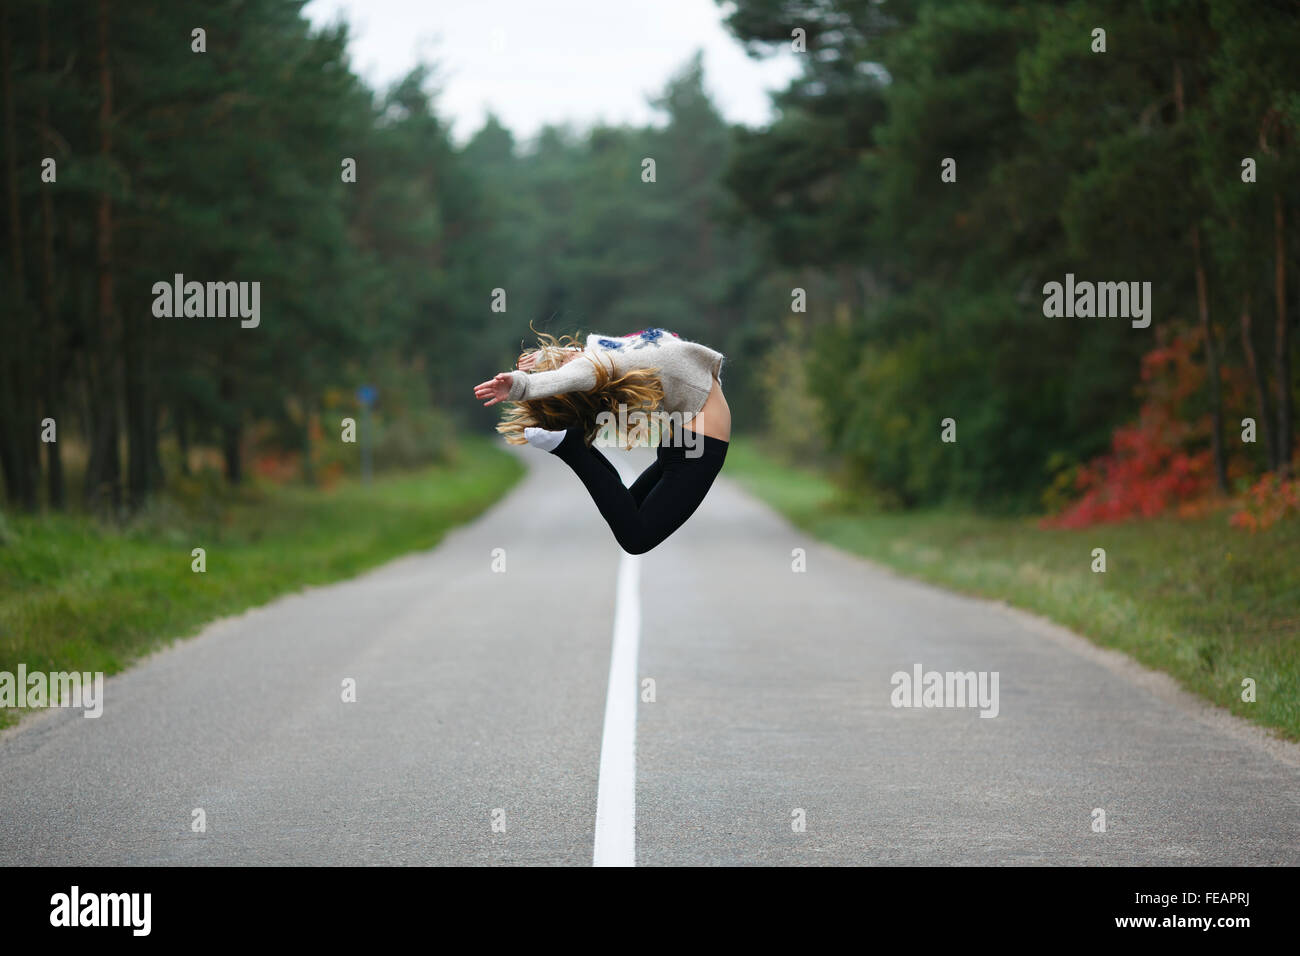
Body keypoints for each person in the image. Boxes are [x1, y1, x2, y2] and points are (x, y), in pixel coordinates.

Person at [473, 327, 731, 554]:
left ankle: (573, 446)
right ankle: (571, 448)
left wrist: (552, 355)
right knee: (636, 538)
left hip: (689, 439)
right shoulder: (611, 359)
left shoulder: (612, 354)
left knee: (627, 509)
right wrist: (521, 385)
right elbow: (569, 376)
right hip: (697, 446)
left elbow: (577, 365)